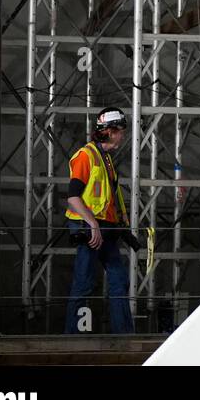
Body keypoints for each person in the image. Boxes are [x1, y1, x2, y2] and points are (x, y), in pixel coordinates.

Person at [63, 107, 135, 334]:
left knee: (118, 278)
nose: (123, 135)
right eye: (121, 130)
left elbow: (108, 196)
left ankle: (124, 335)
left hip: (105, 228)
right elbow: (73, 197)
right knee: (84, 282)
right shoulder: (87, 156)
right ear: (111, 131)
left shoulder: (105, 159)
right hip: (90, 229)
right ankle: (71, 339)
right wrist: (92, 223)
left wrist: (119, 221)